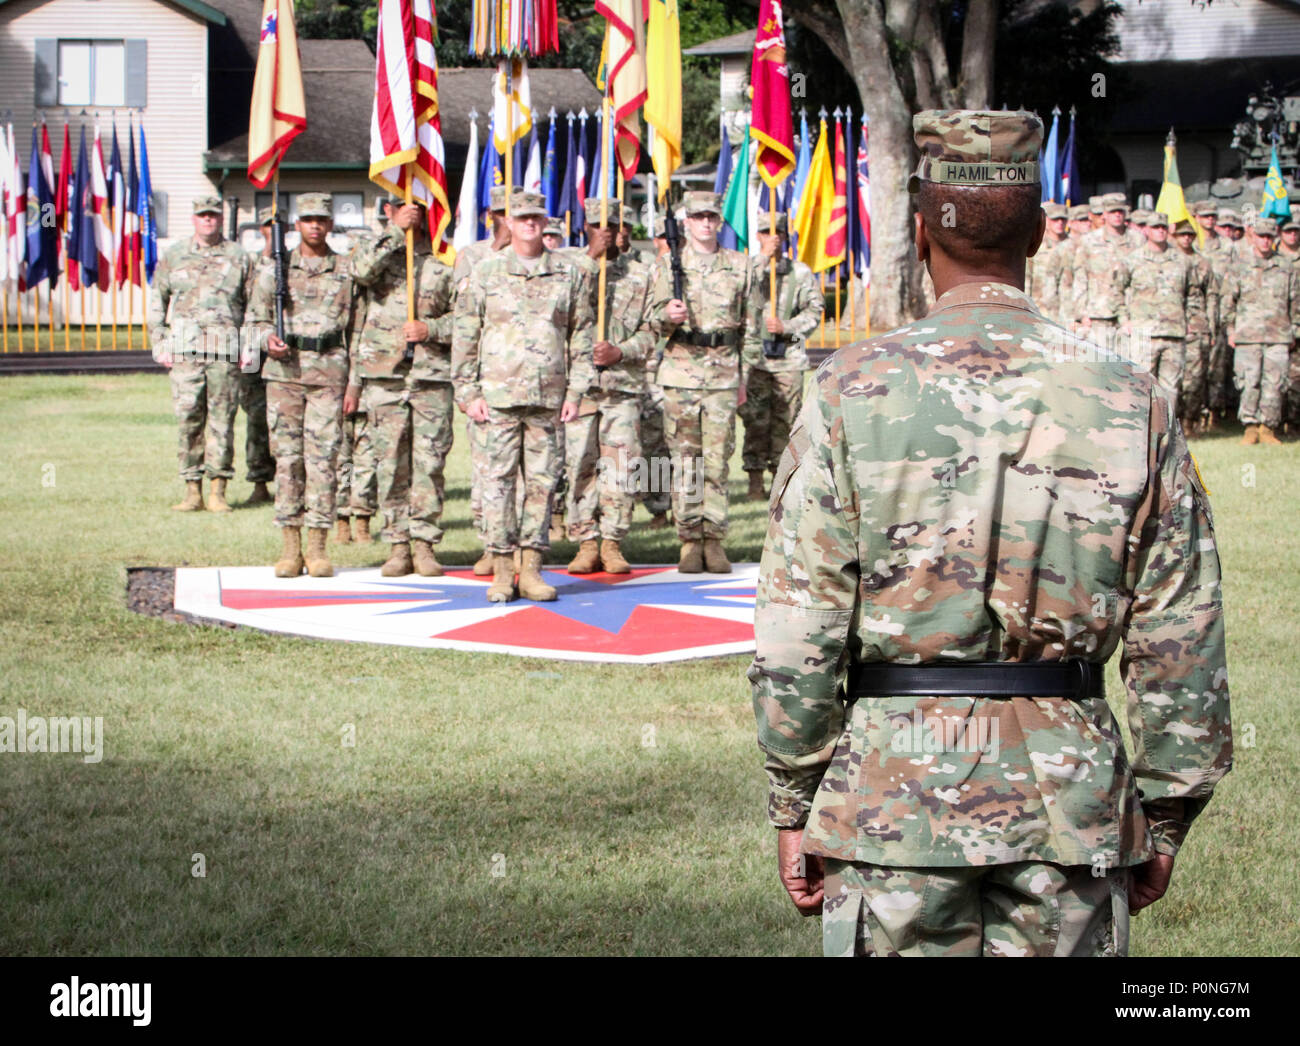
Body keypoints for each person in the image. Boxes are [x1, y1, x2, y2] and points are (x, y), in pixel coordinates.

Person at [750, 109, 1231, 958]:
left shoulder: (847, 390)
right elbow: (1180, 632)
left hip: (890, 799)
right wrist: (1165, 812)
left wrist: (796, 801)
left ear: (922, 231)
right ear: (1040, 232)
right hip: (1069, 798)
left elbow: (800, 629)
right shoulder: (1133, 399)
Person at [452, 189, 594, 602]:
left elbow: (581, 337)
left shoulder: (569, 275)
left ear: (545, 223)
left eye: (537, 217)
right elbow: (465, 334)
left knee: (543, 483)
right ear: (507, 223)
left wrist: (577, 390)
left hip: (548, 397)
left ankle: (531, 568)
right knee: (497, 484)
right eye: (522, 218)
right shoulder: (486, 272)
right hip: (496, 396)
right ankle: (500, 568)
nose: (531, 224)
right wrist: (466, 390)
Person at [248, 193, 359, 578]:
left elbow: (357, 331)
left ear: (330, 225)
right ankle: (290, 548)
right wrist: (267, 340)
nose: (315, 225)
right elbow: (254, 319)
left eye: (321, 219)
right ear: (296, 224)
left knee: (323, 461)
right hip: (285, 375)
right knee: (288, 461)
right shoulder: (276, 268)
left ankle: (318, 547)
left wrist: (354, 383)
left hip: (329, 374)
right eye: (308, 218)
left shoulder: (346, 270)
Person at [650, 190, 760, 573]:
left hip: (723, 374)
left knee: (717, 461)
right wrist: (667, 314)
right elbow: (650, 320)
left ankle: (714, 540)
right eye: (698, 217)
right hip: (680, 372)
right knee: (685, 463)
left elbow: (752, 327)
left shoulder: (741, 266)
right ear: (686, 221)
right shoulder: (668, 265)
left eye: (711, 216)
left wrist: (744, 375)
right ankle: (688, 540)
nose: (706, 223)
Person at [345, 195, 456, 576]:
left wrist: (433, 328)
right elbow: (358, 272)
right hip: (384, 373)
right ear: (389, 210)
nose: (413, 212)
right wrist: (396, 233)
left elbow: (470, 316)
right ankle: (397, 544)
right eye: (402, 205)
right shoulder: (378, 249)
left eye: (420, 206)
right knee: (389, 462)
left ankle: (424, 544)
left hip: (431, 372)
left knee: (429, 462)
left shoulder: (447, 256)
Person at [560, 198, 656, 574]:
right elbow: (557, 311)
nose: (607, 233)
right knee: (580, 465)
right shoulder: (569, 268)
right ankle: (585, 541)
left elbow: (654, 329)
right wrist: (590, 257)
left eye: (613, 226)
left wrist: (622, 351)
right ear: (585, 228)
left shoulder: (641, 274)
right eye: (598, 226)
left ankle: (613, 541)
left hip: (623, 386)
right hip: (579, 387)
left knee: (621, 467)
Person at [149, 194, 254, 513]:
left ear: (221, 219)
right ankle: (191, 488)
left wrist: (249, 347)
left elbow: (254, 307)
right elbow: (158, 301)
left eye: (213, 215)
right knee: (188, 421)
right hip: (184, 352)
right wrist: (159, 343)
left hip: (225, 352)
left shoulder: (239, 256)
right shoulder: (174, 255)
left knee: (223, 422)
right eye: (202, 215)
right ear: (193, 219)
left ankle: (218, 490)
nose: (208, 220)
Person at [454, 184, 515, 575]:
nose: (509, 221)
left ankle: (521, 548)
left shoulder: (541, 259)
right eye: (502, 213)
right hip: (487, 381)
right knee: (487, 470)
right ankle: (491, 542)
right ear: (489, 217)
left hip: (526, 383)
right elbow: (464, 315)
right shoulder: (472, 256)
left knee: (528, 475)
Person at [740, 212, 823, 501]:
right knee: (754, 419)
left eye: (778, 232)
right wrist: (763, 258)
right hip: (755, 356)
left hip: (788, 357)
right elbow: (739, 295)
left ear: (786, 237)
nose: (773, 237)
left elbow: (815, 310)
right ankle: (753, 479)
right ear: (758, 236)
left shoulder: (799, 273)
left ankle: (782, 478)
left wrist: (788, 326)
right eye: (766, 232)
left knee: (787, 419)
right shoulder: (747, 269)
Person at [1219, 218, 1300, 445]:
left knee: (1275, 382)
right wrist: (1231, 330)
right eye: (1261, 236)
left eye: (1269, 237)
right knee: (1249, 381)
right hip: (1247, 336)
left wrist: (1294, 330)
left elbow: (1296, 302)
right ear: (1253, 237)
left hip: (1279, 336)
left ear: (1274, 239)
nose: (1265, 241)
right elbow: (1228, 301)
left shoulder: (1286, 267)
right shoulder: (1240, 266)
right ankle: (1250, 426)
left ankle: (1268, 427)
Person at [1119, 211, 1191, 416]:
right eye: (1156, 227)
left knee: (1171, 387)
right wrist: (1124, 319)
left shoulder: (1181, 260)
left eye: (1163, 227)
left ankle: (1166, 434)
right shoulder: (1133, 260)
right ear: (1147, 231)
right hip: (1143, 332)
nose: (1160, 231)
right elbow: (1117, 289)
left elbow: (1193, 293)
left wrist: (1191, 319)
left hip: (1174, 331)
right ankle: (1140, 428)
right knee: (1141, 384)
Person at [237, 207, 278, 506]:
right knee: (256, 417)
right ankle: (260, 481)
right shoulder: (248, 264)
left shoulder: (290, 262)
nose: (271, 230)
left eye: (276, 225)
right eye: (267, 225)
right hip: (252, 350)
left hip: (282, 349)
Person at [1071, 192, 1137, 353]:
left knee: (1130, 369)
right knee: (1099, 367)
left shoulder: (1138, 240)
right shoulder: (1089, 241)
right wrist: (1081, 314)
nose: (1117, 215)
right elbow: (1080, 278)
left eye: (1120, 211)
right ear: (1104, 214)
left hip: (1130, 315)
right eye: (1113, 212)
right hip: (1098, 313)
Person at [1171, 218, 1218, 435]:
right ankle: (1172, 422)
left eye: (1190, 235)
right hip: (1171, 326)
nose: (1187, 238)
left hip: (1197, 326)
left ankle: (1190, 421)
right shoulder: (1170, 261)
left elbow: (1212, 296)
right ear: (1175, 237)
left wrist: (1212, 327)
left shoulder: (1203, 263)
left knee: (1194, 377)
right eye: (1183, 235)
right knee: (1172, 380)